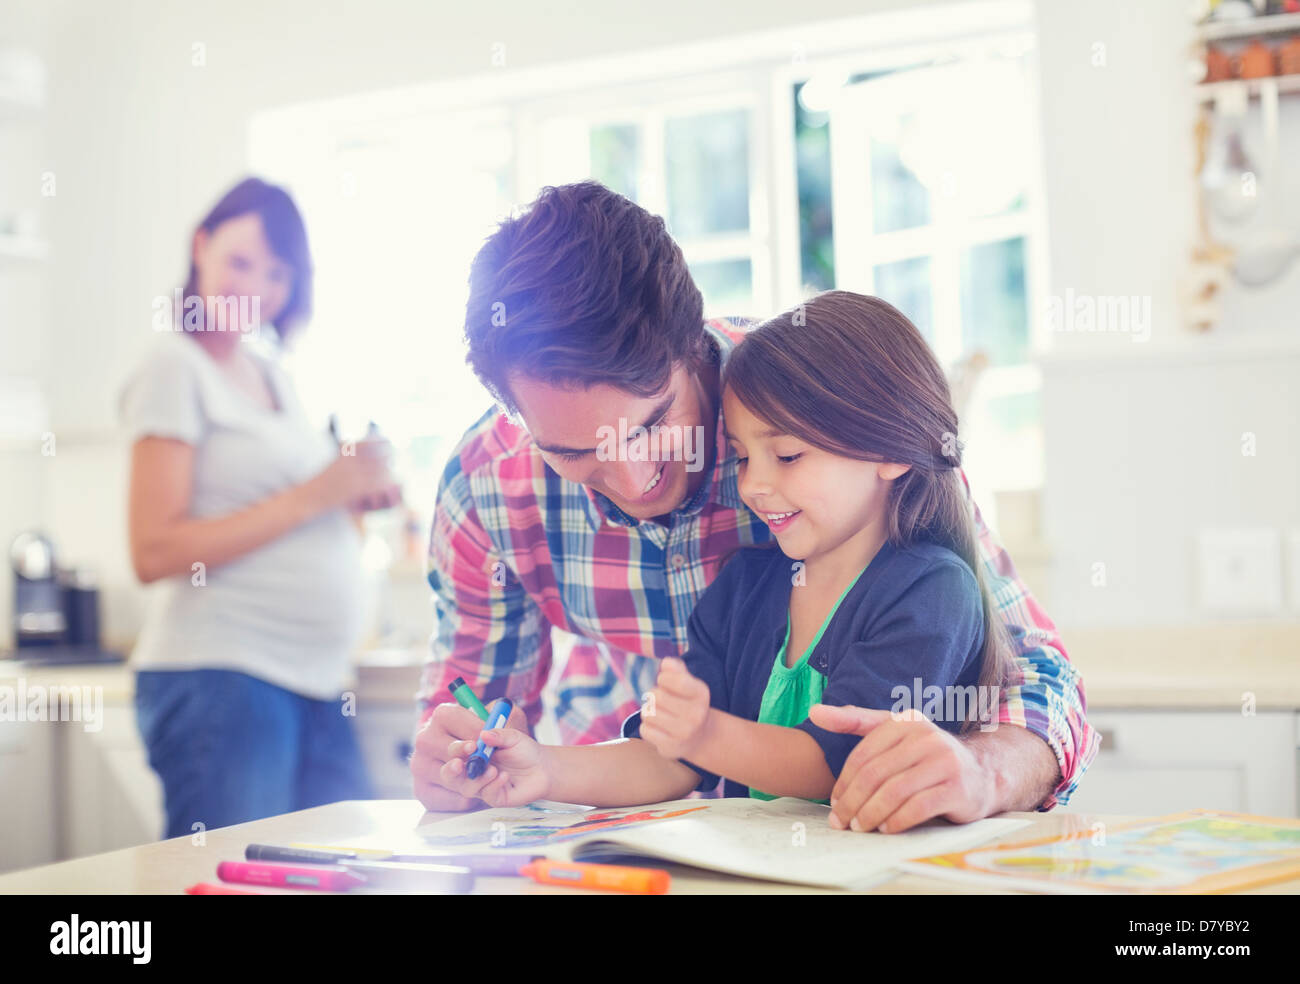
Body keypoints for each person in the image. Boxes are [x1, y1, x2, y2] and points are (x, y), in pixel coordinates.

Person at [410, 180, 1100, 832]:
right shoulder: (487, 487)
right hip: (624, 813)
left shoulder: (818, 394)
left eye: (653, 423)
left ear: (694, 347)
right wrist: (466, 764)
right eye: (573, 452)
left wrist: (984, 771)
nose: (633, 478)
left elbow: (1033, 673)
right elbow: (481, 712)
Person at [435, 290, 1013, 809]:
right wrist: (545, 768)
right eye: (740, 457)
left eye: (786, 456)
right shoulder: (744, 587)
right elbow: (668, 758)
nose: (753, 485)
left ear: (891, 452)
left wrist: (704, 733)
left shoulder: (932, 591)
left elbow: (836, 764)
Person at [121, 177, 399, 838]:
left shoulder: (271, 372)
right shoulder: (174, 365)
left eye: (276, 273)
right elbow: (153, 550)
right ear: (200, 247)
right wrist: (318, 492)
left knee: (353, 870)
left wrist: (354, 492)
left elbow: (297, 509)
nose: (256, 288)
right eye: (240, 262)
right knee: (232, 879)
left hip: (316, 682)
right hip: (226, 680)